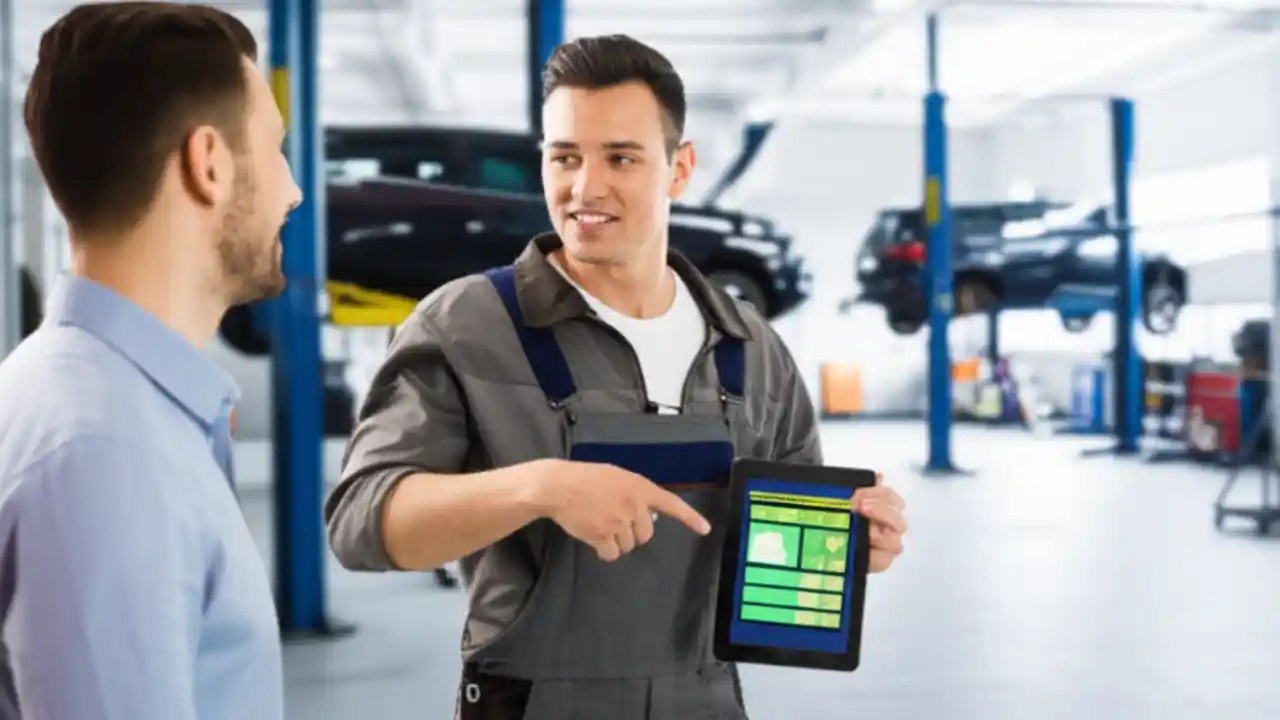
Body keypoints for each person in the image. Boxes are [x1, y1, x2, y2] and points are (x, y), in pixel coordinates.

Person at [325, 34, 908, 719]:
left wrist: (851, 548)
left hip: (707, 701)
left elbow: (780, 542)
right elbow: (361, 524)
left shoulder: (750, 346)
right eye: (564, 157)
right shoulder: (466, 324)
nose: (584, 187)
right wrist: (539, 487)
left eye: (621, 158)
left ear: (679, 170)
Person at [0, 2, 301, 718]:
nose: (293, 190)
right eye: (276, 147)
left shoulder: (85, 402)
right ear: (210, 163)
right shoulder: (106, 458)